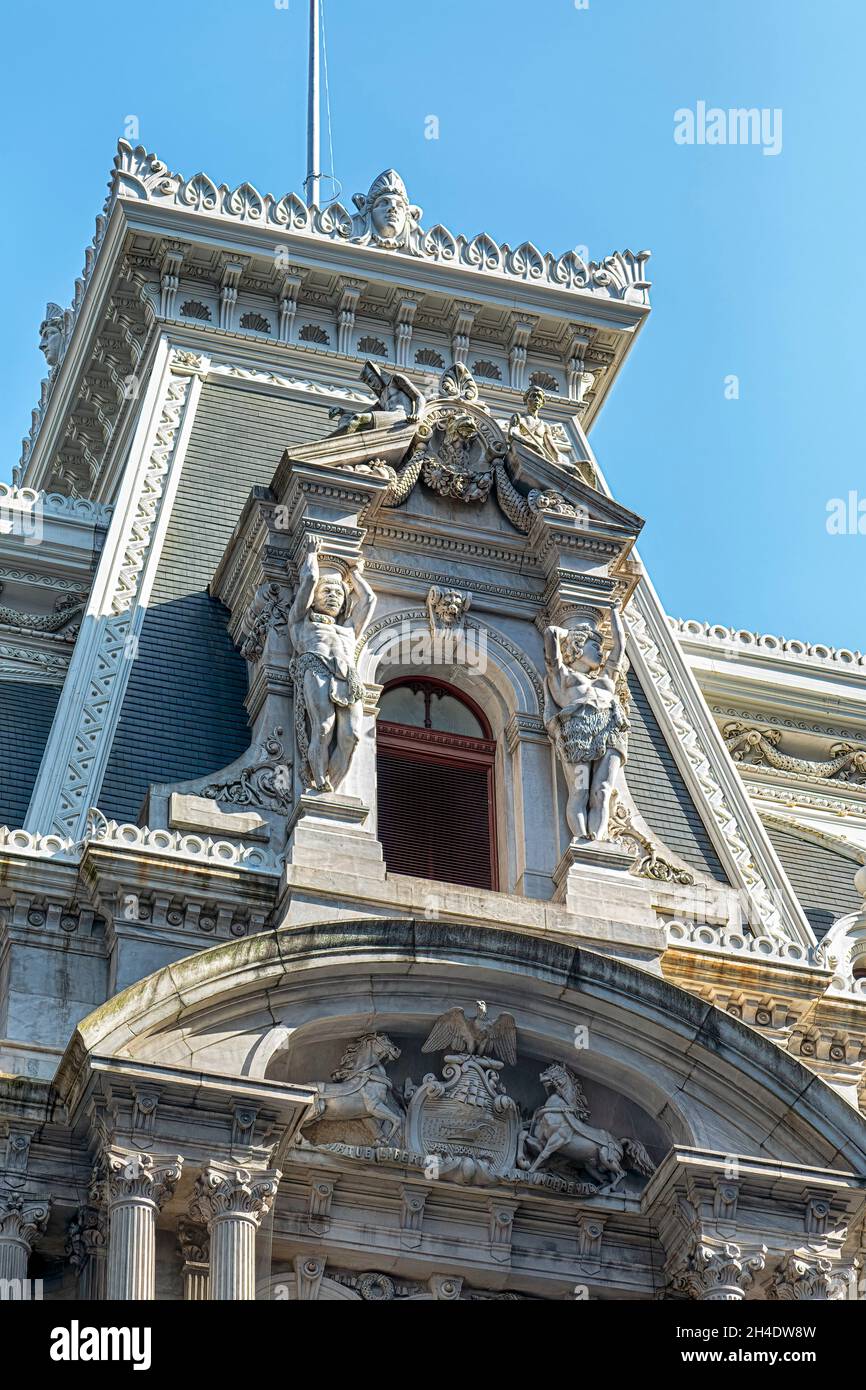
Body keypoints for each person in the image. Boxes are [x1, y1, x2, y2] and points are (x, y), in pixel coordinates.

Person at [288, 541, 376, 792]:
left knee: (352, 735)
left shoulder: (348, 629)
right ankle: (318, 780)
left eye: (338, 592)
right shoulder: (301, 622)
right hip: (316, 667)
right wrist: (311, 555)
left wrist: (354, 574)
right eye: (326, 591)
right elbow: (308, 581)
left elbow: (369, 599)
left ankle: (334, 787)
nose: (333, 596)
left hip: (348, 679)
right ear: (314, 597)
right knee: (323, 727)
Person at [543, 602, 629, 841]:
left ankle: (598, 842)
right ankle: (581, 839)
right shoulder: (563, 676)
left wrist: (614, 612)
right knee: (580, 791)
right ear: (578, 647)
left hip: (610, 729)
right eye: (595, 646)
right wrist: (568, 634)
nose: (601, 653)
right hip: (577, 732)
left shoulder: (606, 678)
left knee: (602, 791)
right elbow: (550, 634)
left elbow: (620, 647)